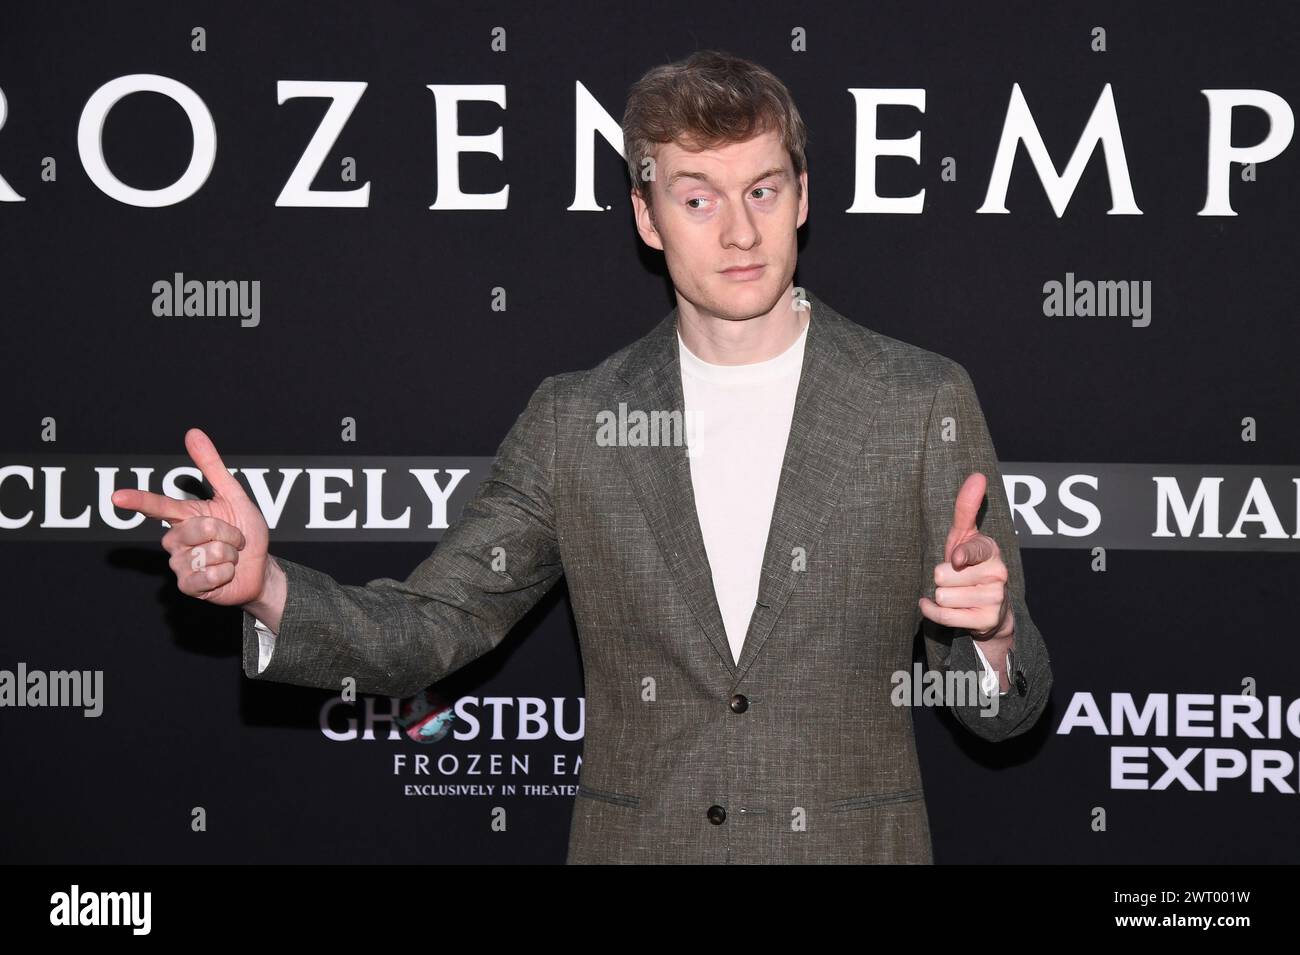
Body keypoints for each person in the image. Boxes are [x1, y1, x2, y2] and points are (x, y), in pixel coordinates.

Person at [112, 49, 1051, 863]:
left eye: (762, 189)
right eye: (698, 197)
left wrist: (993, 635)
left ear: (802, 196)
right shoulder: (579, 419)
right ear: (648, 219)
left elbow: (1001, 710)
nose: (738, 230)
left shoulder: (917, 398)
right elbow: (431, 630)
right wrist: (269, 586)